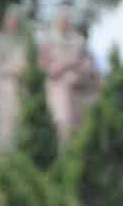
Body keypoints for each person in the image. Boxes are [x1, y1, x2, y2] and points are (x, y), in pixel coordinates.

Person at [39, 8, 95, 143]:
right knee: (61, 124)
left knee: (78, 127)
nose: (64, 23)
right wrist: (62, 65)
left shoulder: (78, 41)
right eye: (61, 20)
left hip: (78, 90)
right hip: (57, 89)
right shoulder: (48, 39)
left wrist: (75, 67)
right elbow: (43, 64)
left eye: (66, 20)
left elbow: (88, 65)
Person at [0, 6, 29, 149]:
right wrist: (12, 67)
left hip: (21, 87)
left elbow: (28, 64)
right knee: (4, 125)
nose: (12, 22)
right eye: (10, 19)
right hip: (4, 88)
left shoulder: (24, 41)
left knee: (20, 123)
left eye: (15, 19)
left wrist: (20, 68)